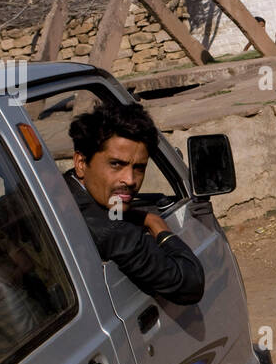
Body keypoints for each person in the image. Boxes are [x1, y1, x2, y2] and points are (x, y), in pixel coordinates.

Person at [66, 102, 205, 305]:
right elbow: (189, 285)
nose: (130, 180)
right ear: (81, 163)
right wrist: (156, 224)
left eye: (139, 168)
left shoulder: (60, 190)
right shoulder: (113, 230)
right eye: (116, 164)